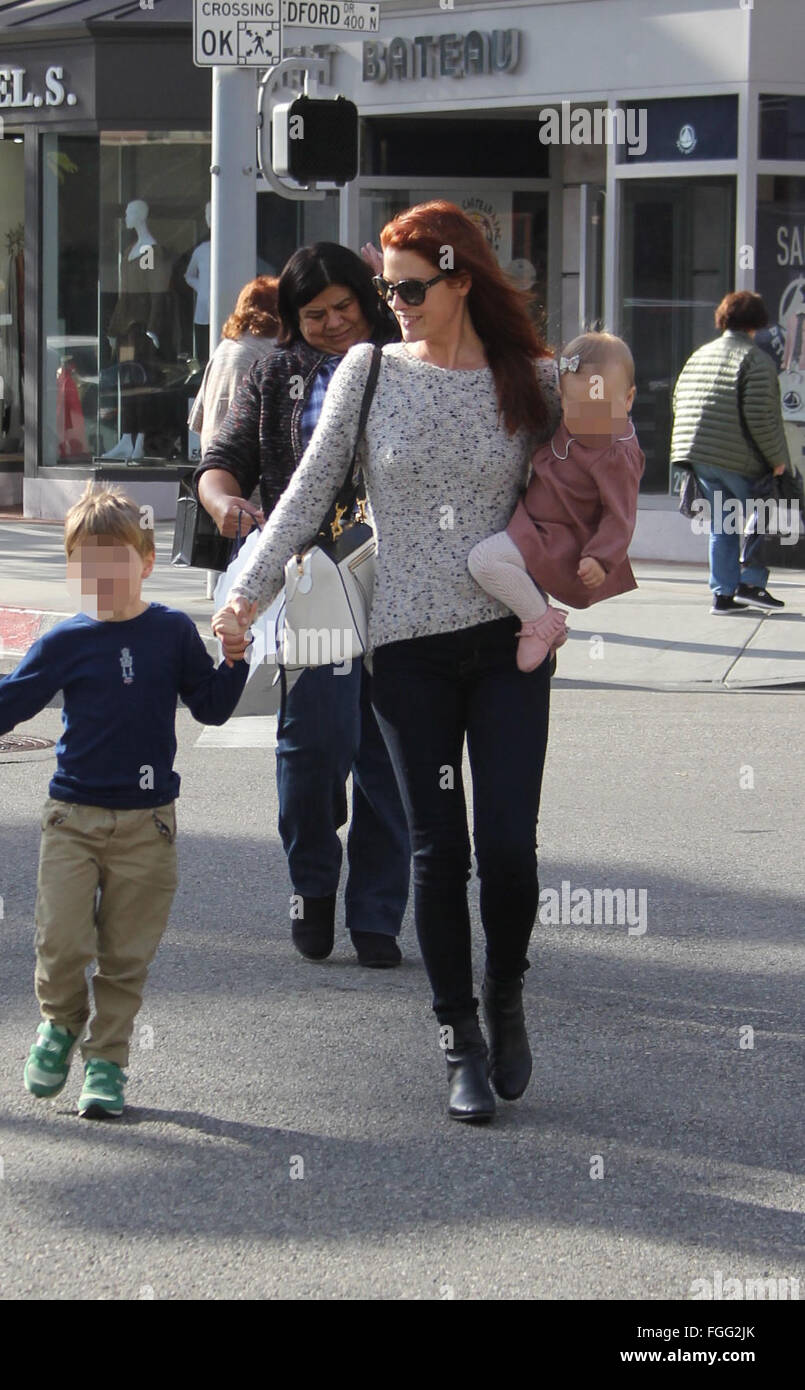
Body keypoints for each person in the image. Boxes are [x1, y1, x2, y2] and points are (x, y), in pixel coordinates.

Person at [214, 201, 559, 1123]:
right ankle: (458, 1038)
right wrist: (248, 594)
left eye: (409, 287)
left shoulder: (530, 378)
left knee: (512, 850)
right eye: (385, 287)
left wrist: (589, 566)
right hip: (405, 646)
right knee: (438, 850)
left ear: (461, 281)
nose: (390, 302)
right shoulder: (367, 372)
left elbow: (590, 476)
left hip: (507, 644)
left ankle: (506, 994)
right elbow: (308, 491)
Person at [0, 489, 246, 1119]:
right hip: (72, 821)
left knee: (125, 957)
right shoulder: (65, 642)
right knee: (61, 945)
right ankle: (59, 1025)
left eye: (114, 561)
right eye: (86, 564)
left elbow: (212, 707)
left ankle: (107, 1063)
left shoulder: (170, 632)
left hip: (149, 825)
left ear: (145, 562)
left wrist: (236, 657)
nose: (101, 577)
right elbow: (4, 706)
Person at [197, 243, 410, 969]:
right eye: (311, 314)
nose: (329, 324)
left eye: (343, 308)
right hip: (311, 582)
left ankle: (377, 914)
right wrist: (224, 501)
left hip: (400, 582)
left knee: (390, 757)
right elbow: (221, 459)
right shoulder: (273, 372)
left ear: (368, 299)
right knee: (312, 753)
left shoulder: (406, 362)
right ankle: (312, 887)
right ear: (289, 318)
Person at [467, 332, 645, 671]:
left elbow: (620, 515)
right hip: (532, 519)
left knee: (484, 561)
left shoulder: (616, 454)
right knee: (488, 560)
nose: (584, 420)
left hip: (560, 536)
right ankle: (539, 618)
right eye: (573, 408)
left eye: (597, 409)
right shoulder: (577, 419)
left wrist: (601, 557)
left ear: (628, 400)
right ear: (561, 397)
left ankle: (542, 623)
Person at [670, 291, 790, 613]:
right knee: (764, 511)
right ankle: (750, 583)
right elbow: (761, 418)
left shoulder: (700, 355)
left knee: (723, 524)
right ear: (758, 322)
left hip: (700, 456)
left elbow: (679, 400)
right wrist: (778, 460)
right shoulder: (755, 360)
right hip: (738, 457)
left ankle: (723, 594)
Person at [188, 275, 280, 597]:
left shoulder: (225, 348)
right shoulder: (272, 352)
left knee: (228, 562)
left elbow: (197, 418)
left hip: (216, 470)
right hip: (252, 482)